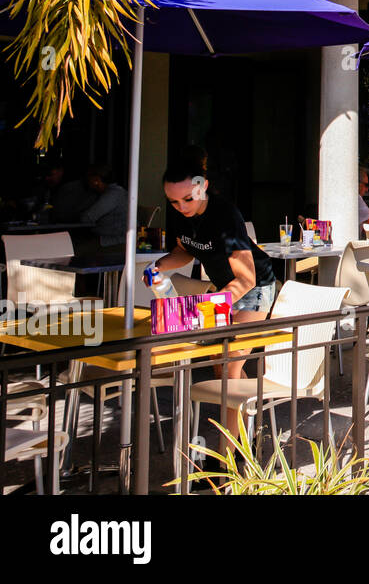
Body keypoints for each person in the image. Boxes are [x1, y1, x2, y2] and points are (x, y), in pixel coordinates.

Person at [153, 163, 279, 451]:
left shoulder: (224, 215)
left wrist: (208, 307)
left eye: (188, 199)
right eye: (173, 201)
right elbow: (185, 250)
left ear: (203, 186)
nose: (181, 207)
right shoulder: (180, 216)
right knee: (225, 370)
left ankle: (228, 458)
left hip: (254, 287)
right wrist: (159, 266)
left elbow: (246, 279)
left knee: (228, 369)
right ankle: (248, 433)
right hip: (223, 290)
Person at [77, 165, 129, 254]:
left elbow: (87, 218)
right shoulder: (105, 193)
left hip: (115, 241)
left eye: (89, 179)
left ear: (96, 180)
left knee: (77, 250)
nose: (87, 182)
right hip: (106, 238)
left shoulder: (114, 194)